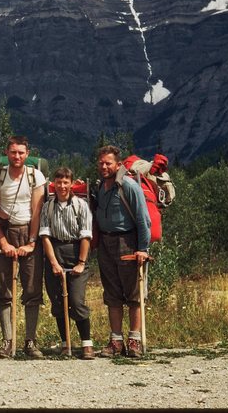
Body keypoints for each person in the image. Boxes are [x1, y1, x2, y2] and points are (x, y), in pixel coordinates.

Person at [0, 135, 47, 358]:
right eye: (13, 152)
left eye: (21, 152)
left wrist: (31, 242)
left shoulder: (35, 176)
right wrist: (2, 241)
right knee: (3, 288)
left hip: (29, 230)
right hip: (4, 230)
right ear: (7, 153)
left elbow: (37, 211)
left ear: (27, 154)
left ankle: (30, 341)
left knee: (31, 288)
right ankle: (8, 341)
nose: (17, 156)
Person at [93, 145, 152, 358]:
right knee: (112, 294)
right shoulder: (101, 187)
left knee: (133, 293)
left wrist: (142, 249)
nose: (104, 166)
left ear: (118, 165)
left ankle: (134, 340)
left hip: (127, 242)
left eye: (108, 163)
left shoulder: (128, 186)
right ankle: (116, 341)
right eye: (101, 163)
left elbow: (143, 220)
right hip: (106, 244)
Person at [40, 167, 95, 360]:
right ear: (53, 184)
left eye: (66, 182)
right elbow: (45, 235)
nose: (62, 186)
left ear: (72, 184)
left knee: (76, 300)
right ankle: (66, 343)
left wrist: (81, 262)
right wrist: (53, 262)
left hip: (76, 250)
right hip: (54, 252)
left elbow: (86, 235)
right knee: (58, 300)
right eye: (59, 182)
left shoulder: (80, 205)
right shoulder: (48, 206)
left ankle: (86, 344)